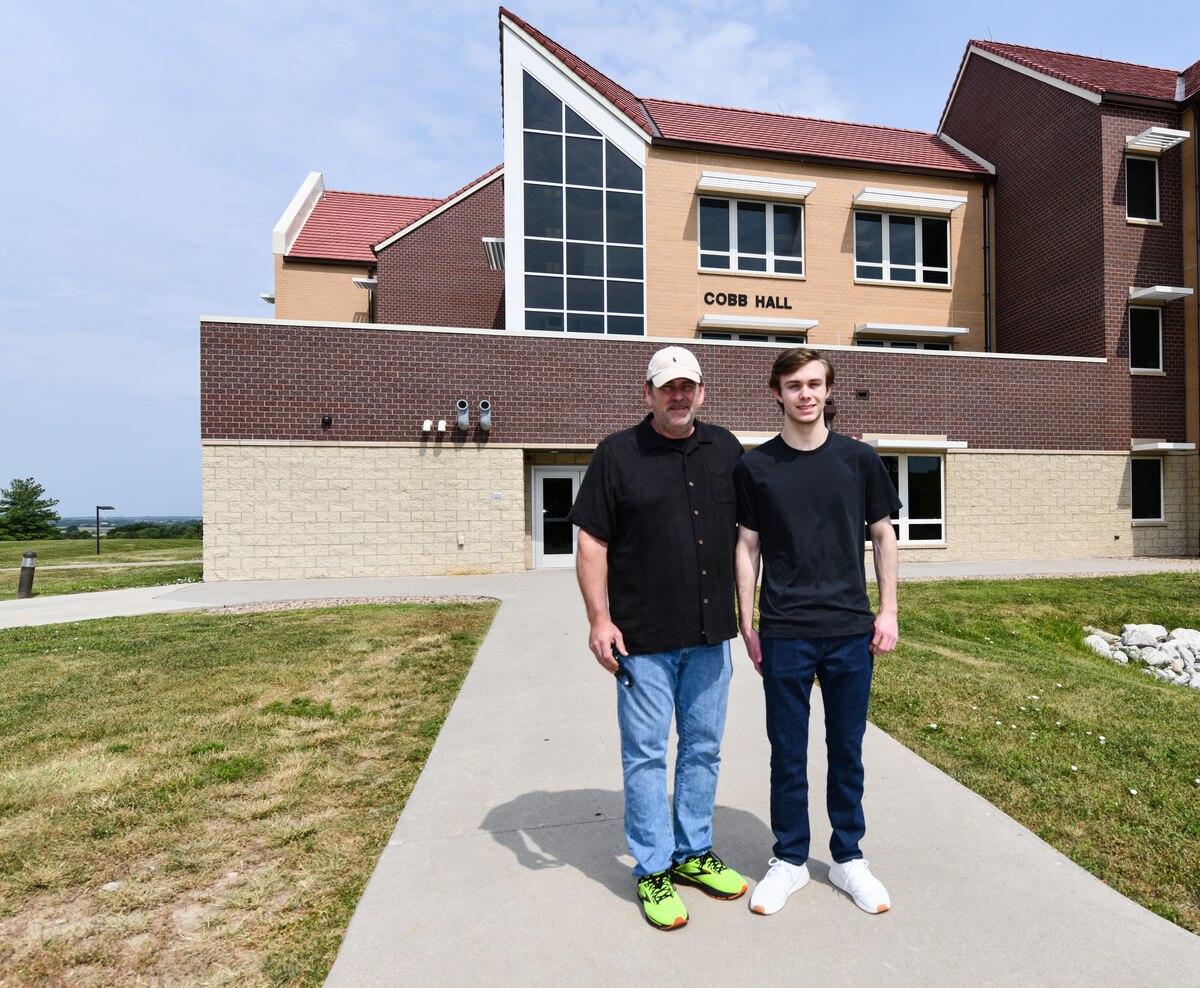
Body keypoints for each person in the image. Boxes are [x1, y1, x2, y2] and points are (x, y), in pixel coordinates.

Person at [567, 345, 747, 931]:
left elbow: (754, 532)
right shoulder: (617, 455)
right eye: (667, 387)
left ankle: (693, 852)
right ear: (647, 393)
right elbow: (591, 541)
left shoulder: (725, 450)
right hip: (642, 640)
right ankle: (652, 867)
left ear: (702, 392)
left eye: (687, 386)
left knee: (703, 748)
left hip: (710, 635)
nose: (678, 396)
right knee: (646, 755)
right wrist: (599, 618)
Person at [733, 347, 900, 917]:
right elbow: (747, 546)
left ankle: (849, 858)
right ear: (775, 393)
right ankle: (789, 860)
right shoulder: (756, 467)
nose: (805, 394)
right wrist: (746, 620)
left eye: (814, 384)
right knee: (788, 752)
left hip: (851, 630)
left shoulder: (860, 460)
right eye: (793, 385)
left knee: (846, 749)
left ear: (829, 391)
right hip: (784, 631)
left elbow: (882, 536)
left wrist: (889, 612)